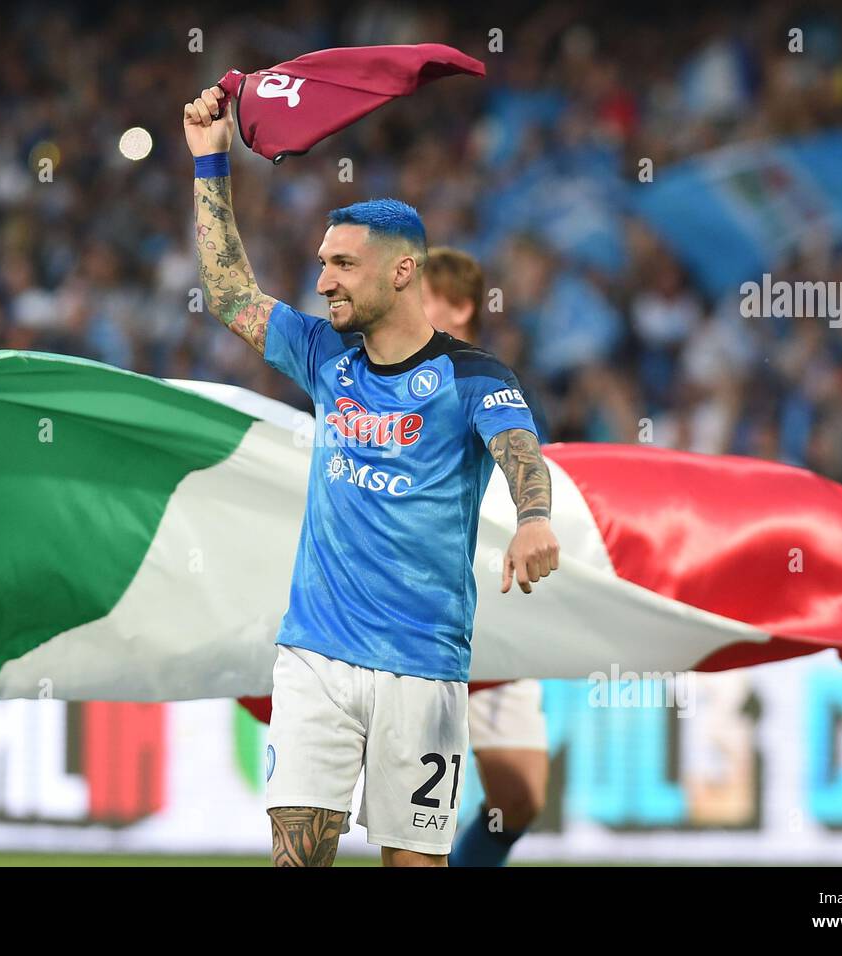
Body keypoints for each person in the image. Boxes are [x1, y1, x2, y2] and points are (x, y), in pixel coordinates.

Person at [184, 86, 560, 866]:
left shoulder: (473, 376)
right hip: (316, 655)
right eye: (322, 265)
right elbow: (227, 294)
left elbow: (519, 448)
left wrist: (533, 518)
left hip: (424, 666)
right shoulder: (324, 356)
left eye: (342, 266)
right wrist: (209, 159)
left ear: (401, 274)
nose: (322, 283)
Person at [422, 246, 551, 867]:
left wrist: (534, 521)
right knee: (413, 808)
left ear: (461, 306)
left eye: (422, 297)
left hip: (499, 615)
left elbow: (543, 477)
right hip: (420, 612)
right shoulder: (375, 377)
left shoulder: (495, 383)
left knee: (520, 796)